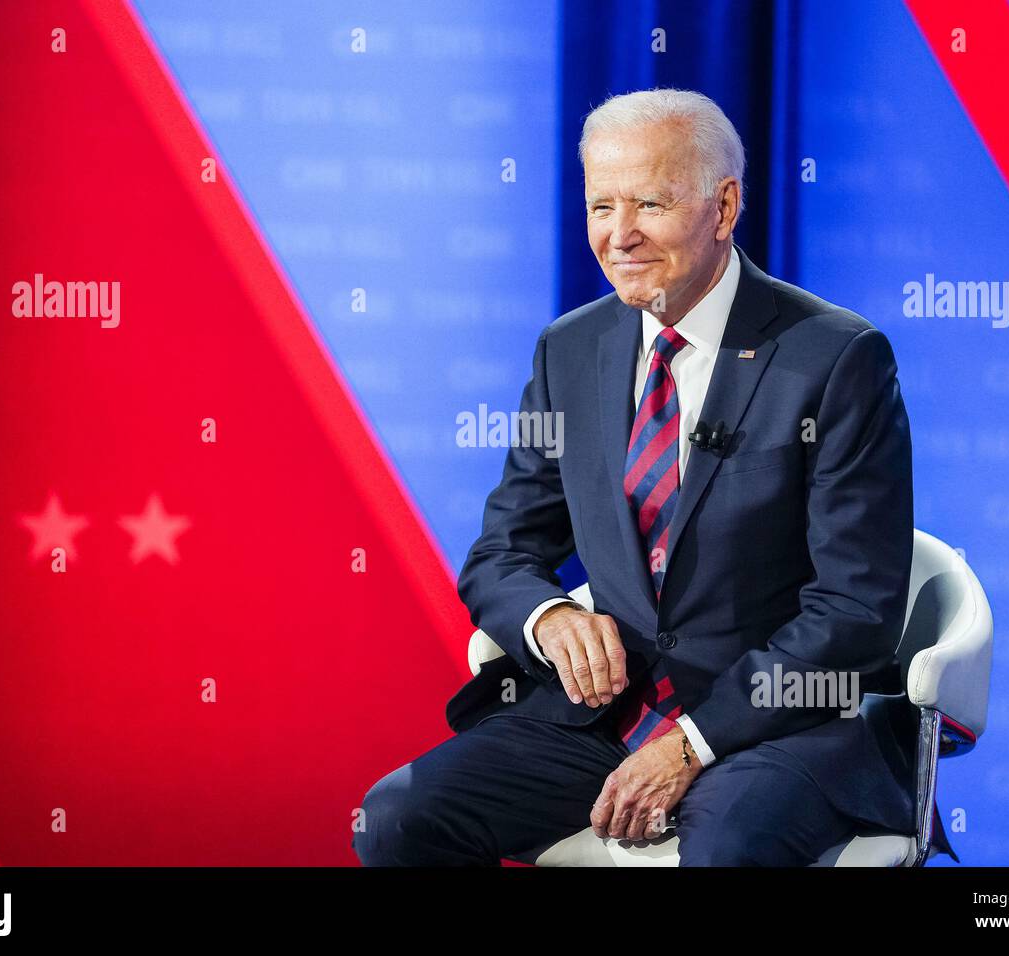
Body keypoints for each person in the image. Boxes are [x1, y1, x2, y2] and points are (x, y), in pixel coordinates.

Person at [353, 88, 952, 866]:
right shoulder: (569, 351)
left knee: (726, 845)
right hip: (608, 716)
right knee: (400, 818)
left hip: (781, 725)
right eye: (601, 205)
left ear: (724, 205)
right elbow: (501, 554)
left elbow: (856, 608)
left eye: (649, 204)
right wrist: (549, 620)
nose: (619, 235)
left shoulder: (835, 358)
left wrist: (695, 744)